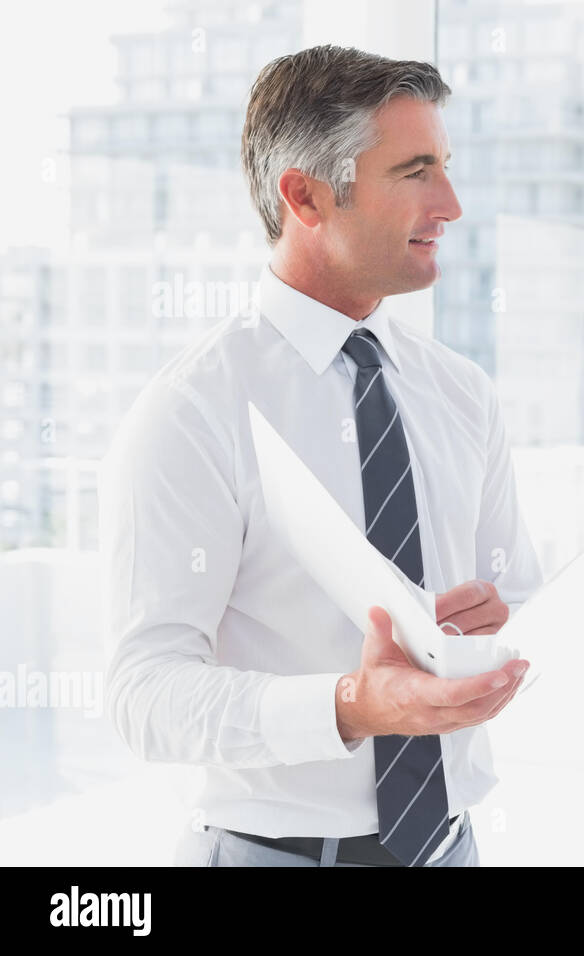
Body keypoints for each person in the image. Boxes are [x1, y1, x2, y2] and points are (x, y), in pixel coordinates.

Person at [100, 45, 542, 867]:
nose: (449, 204)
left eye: (445, 166)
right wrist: (350, 706)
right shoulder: (194, 409)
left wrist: (492, 636)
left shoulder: (460, 391)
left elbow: (519, 602)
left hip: (452, 850)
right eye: (414, 172)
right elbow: (144, 696)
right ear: (304, 194)